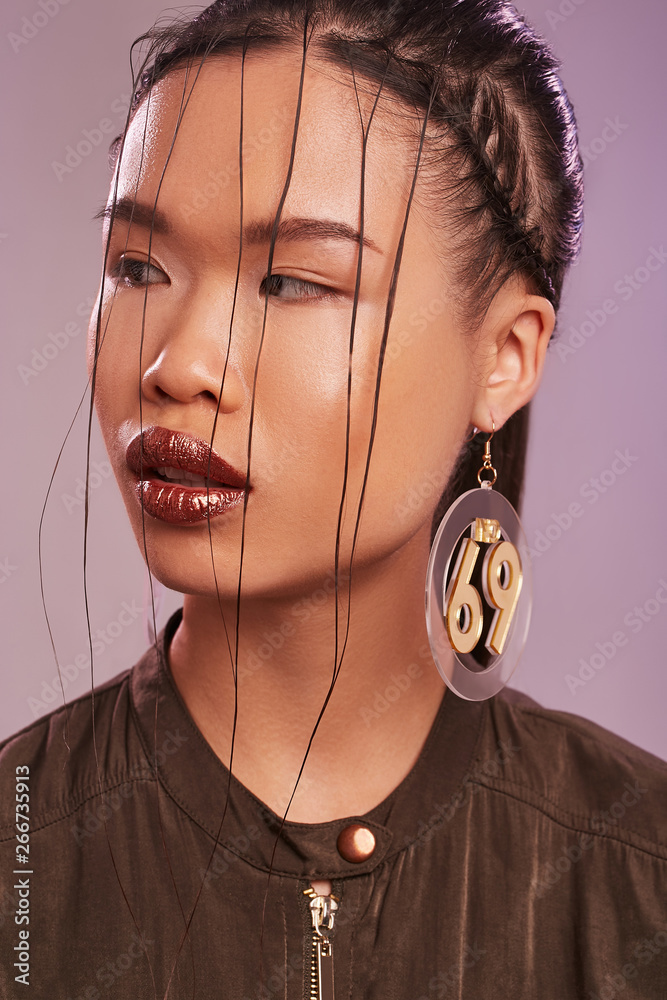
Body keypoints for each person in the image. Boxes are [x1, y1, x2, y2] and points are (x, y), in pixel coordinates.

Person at [1, 1, 666, 997]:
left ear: (507, 354)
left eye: (293, 282)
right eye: (137, 266)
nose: (178, 364)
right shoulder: (24, 851)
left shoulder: (635, 869)